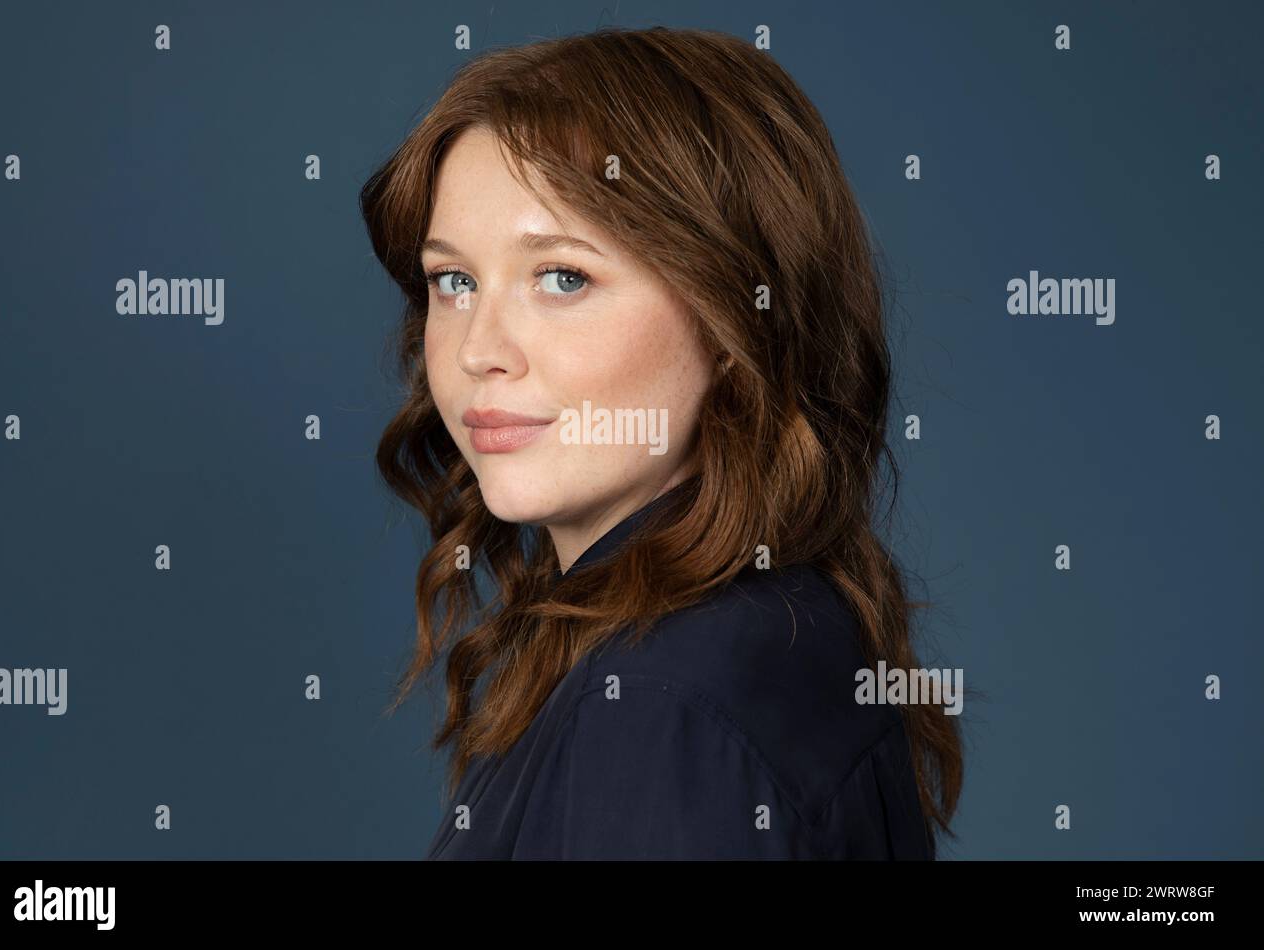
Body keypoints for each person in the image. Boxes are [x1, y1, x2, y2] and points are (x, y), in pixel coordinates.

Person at [360, 25, 962, 859]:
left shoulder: (664, 703)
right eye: (453, 281)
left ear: (728, 318)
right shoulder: (763, 629)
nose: (475, 349)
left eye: (562, 277)